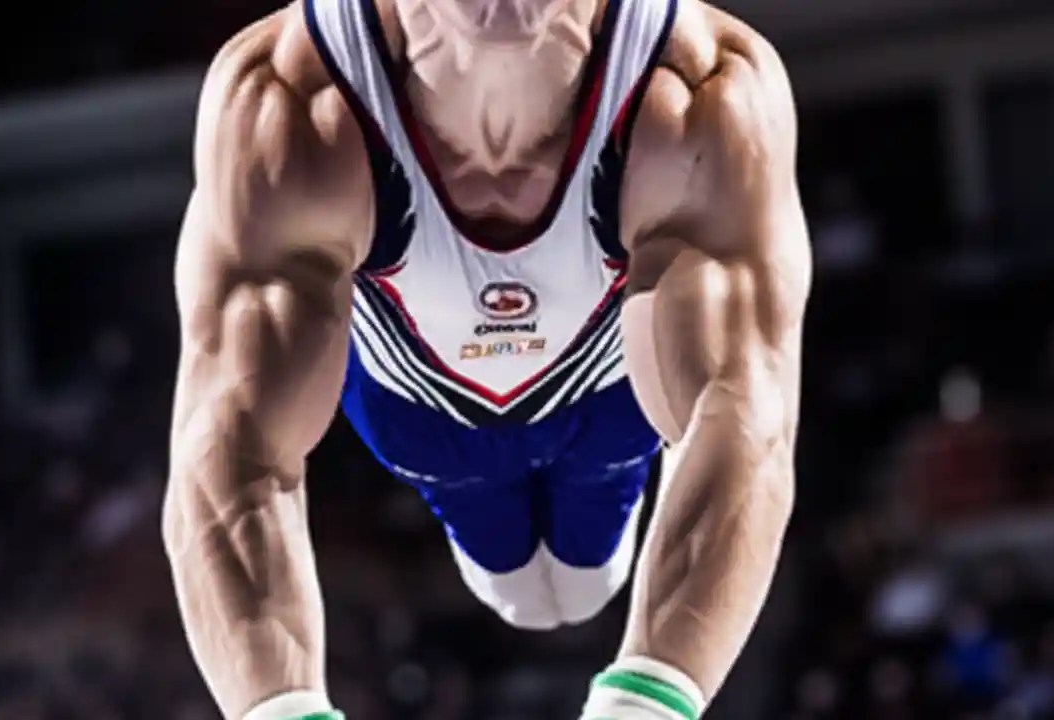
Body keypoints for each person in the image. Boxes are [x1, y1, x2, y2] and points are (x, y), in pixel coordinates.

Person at [161, 0, 810, 715]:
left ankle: (596, 524)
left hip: (615, 407)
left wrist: (651, 700)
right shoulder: (291, 103)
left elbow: (746, 418)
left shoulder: (697, 90)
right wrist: (280, 709)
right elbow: (230, 453)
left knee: (577, 586)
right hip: (426, 426)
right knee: (526, 595)